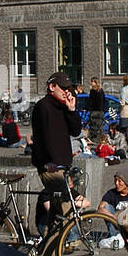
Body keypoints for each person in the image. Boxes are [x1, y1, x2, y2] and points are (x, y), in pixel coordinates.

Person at [30, 71, 80, 240]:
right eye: (63, 88)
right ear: (52, 87)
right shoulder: (43, 106)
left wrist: (72, 110)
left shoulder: (63, 106)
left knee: (57, 216)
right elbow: (41, 138)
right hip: (49, 166)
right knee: (67, 207)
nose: (67, 92)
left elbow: (76, 131)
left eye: (69, 88)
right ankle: (72, 240)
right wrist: (45, 163)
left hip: (63, 165)